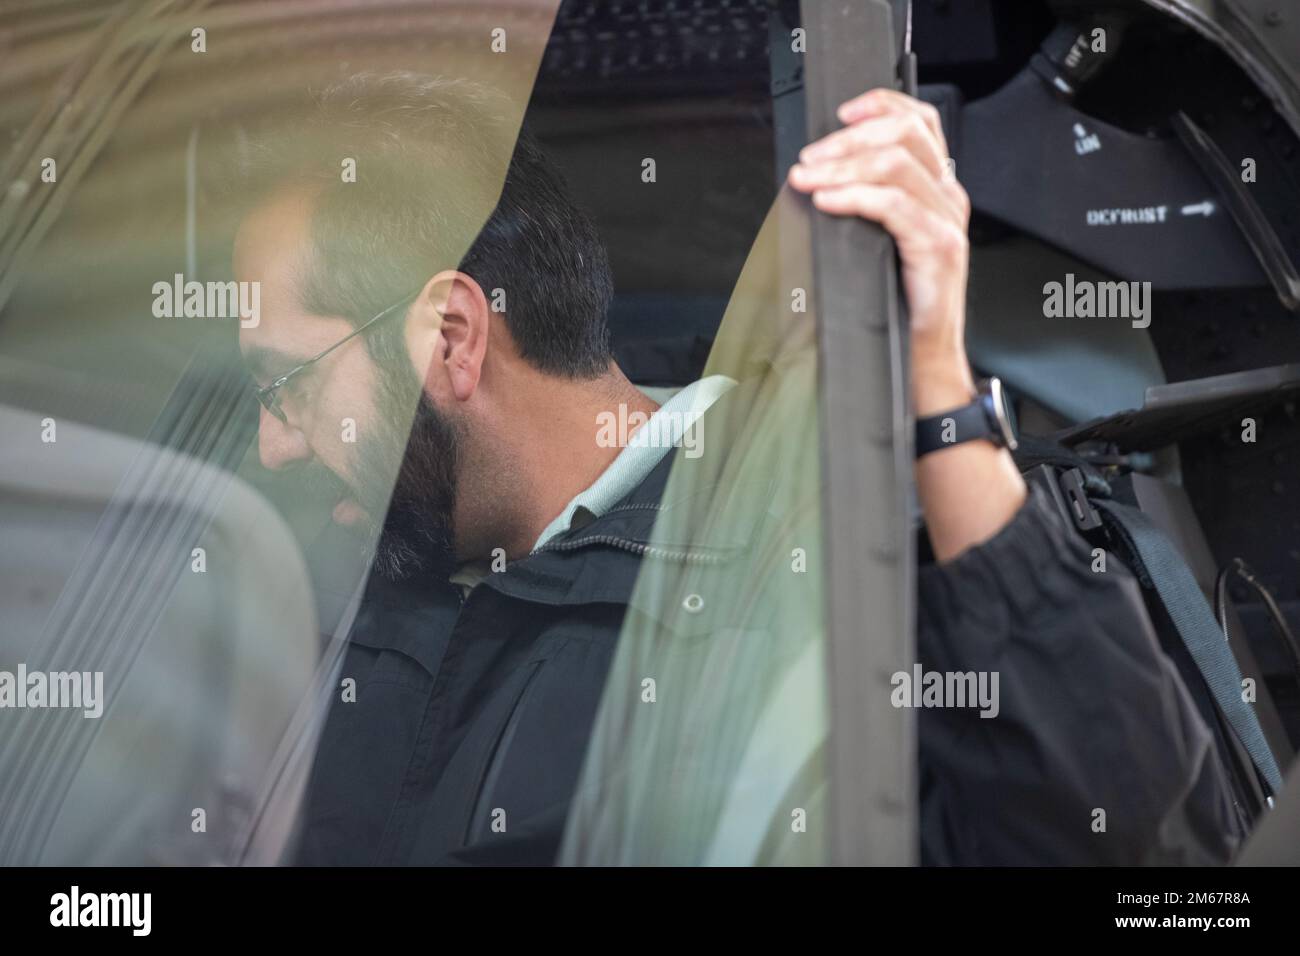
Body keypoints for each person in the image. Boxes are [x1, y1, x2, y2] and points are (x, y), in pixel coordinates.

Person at [233, 72, 1239, 864]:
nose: (273, 443)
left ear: (451, 338)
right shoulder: (383, 583)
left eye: (288, 384)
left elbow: (1139, 854)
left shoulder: (829, 551)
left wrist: (937, 393)